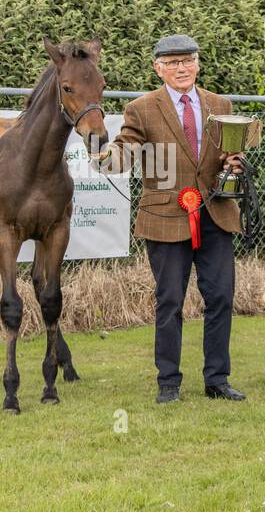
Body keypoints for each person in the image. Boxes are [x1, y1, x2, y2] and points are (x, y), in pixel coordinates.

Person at [91, 34, 256, 404]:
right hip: (166, 218)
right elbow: (126, 148)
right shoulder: (142, 108)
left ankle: (217, 379)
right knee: (169, 301)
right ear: (158, 68)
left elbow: (229, 151)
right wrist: (105, 158)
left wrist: (234, 163)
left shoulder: (221, 104)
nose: (181, 68)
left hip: (216, 214)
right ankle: (169, 382)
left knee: (222, 299)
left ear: (197, 64)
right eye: (172, 63)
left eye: (187, 61)